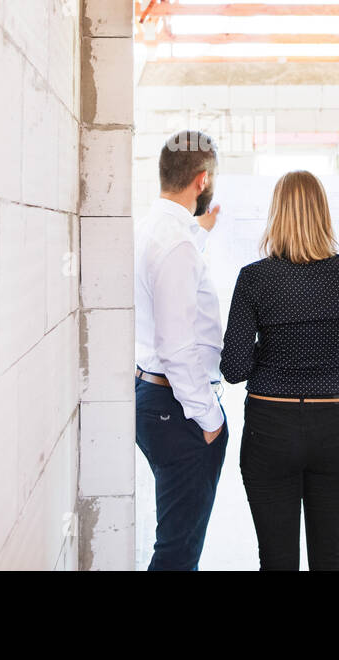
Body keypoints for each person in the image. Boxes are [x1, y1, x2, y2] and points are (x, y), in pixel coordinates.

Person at [221, 171, 339, 571]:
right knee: (332, 561)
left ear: (276, 215)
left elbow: (234, 368)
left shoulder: (253, 278)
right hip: (334, 426)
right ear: (323, 214)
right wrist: (327, 356)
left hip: (268, 428)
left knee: (276, 562)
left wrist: (276, 352)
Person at [133, 129, 226, 571]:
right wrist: (209, 419)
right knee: (178, 549)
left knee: (177, 541)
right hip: (178, 408)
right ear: (202, 180)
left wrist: (200, 233)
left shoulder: (156, 229)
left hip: (157, 398)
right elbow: (176, 347)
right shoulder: (177, 244)